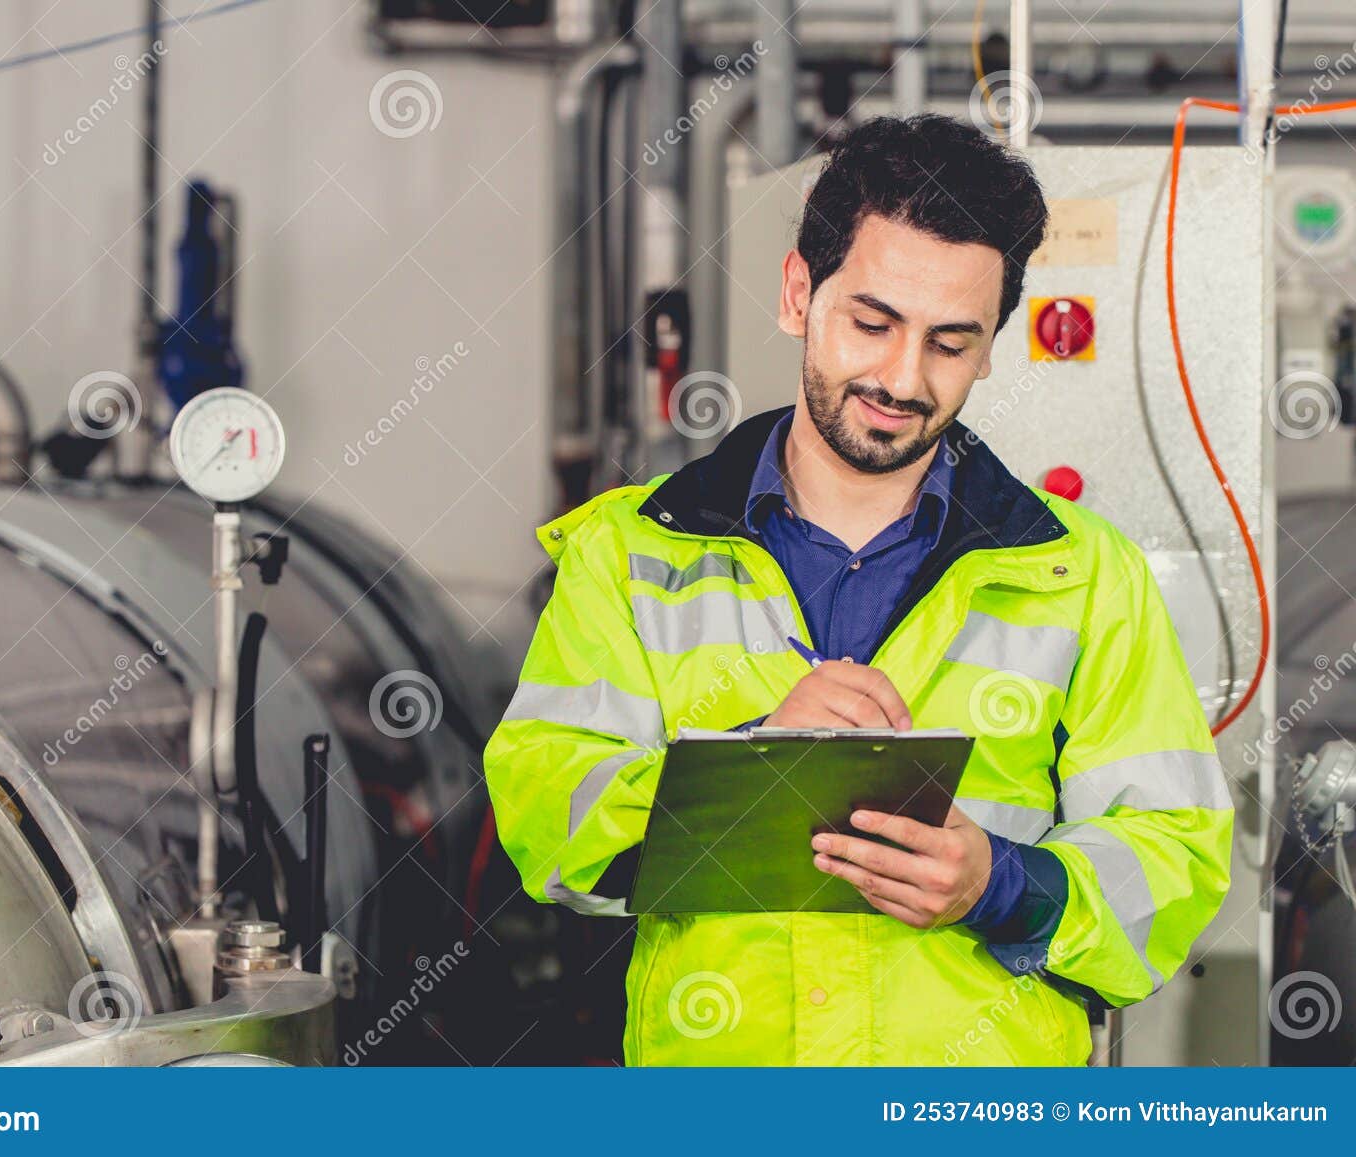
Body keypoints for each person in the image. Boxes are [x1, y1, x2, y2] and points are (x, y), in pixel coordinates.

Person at [483, 114, 1232, 1065]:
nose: (902, 377)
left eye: (950, 342)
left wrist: (999, 884)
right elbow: (547, 808)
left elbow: (1177, 856)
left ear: (993, 345)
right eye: (872, 323)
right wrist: (746, 766)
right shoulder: (632, 552)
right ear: (800, 292)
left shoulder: (1084, 575)